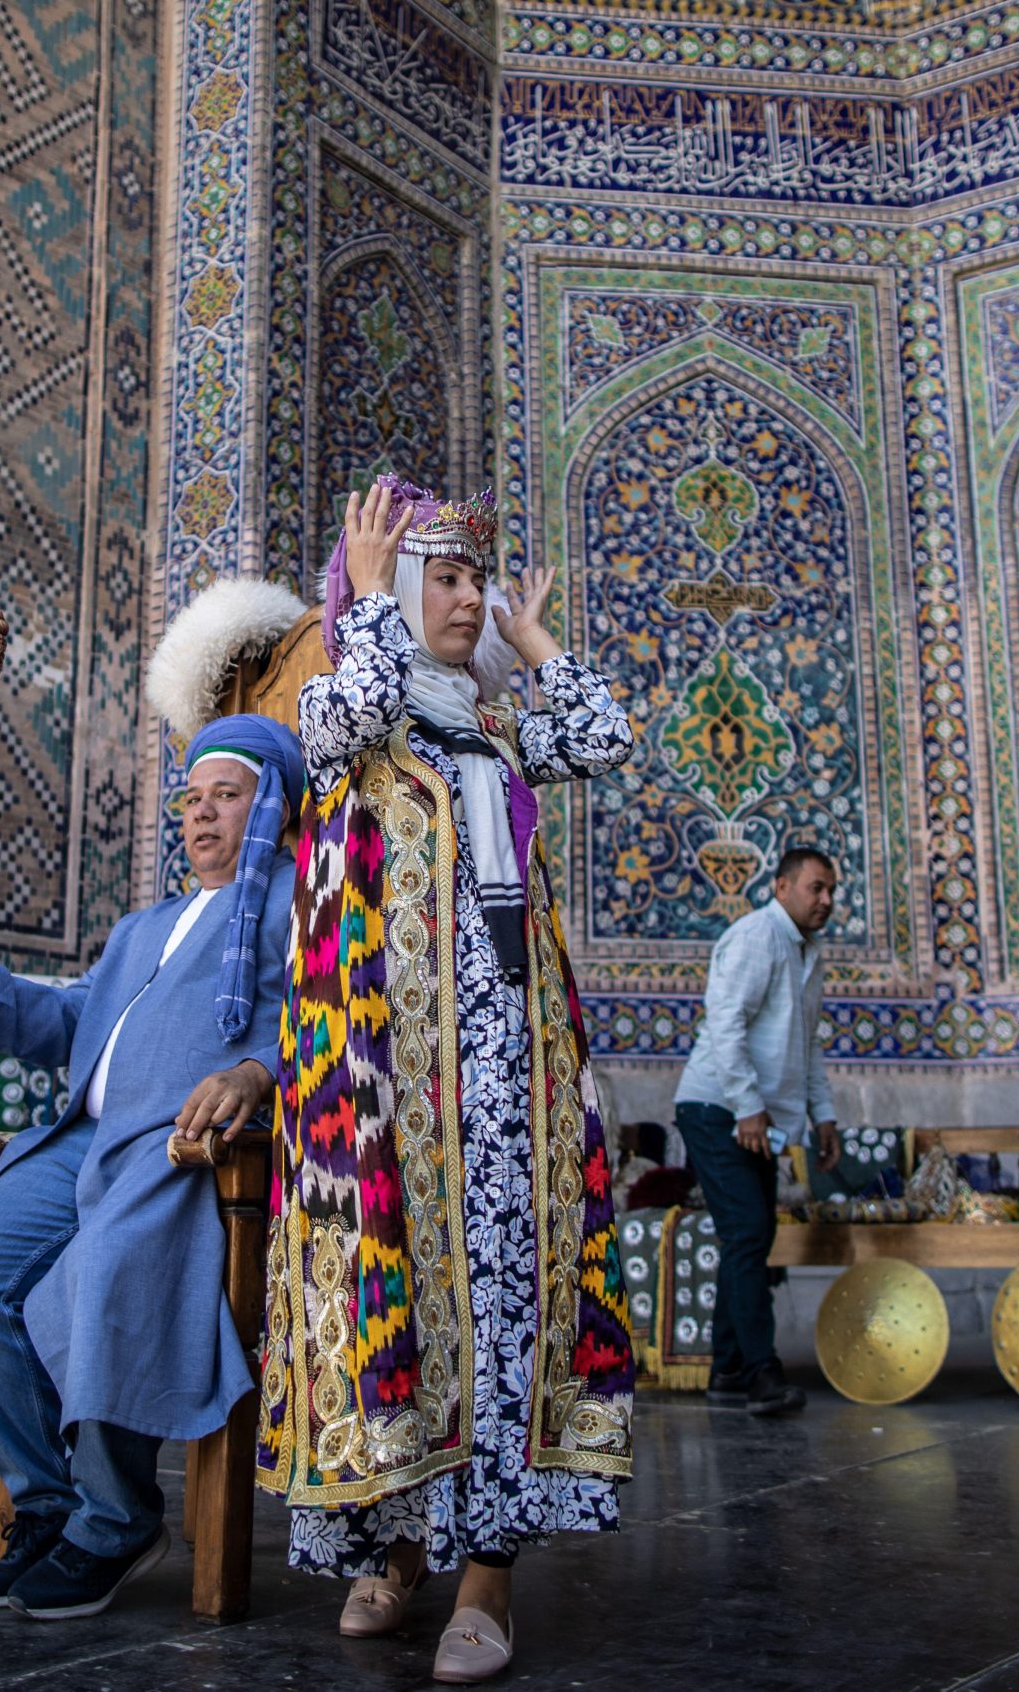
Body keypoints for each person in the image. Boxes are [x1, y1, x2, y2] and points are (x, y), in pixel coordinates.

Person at [258, 477, 636, 1686]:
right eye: (450, 579)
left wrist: (534, 638)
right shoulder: (347, 715)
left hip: (511, 1076)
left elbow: (606, 736)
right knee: (405, 1298)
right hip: (389, 1082)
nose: (469, 600)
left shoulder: (496, 732)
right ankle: (402, 1542)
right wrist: (369, 598)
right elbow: (357, 700)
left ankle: (488, 1577)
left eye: (478, 581)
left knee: (505, 1300)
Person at [0, 715, 302, 1623]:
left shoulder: (297, 904)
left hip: (179, 1149)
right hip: (82, 1143)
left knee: (103, 1265)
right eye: (191, 799)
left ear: (274, 807)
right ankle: (47, 1505)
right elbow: (66, 1025)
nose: (200, 816)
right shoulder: (141, 927)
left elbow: (335, 1022)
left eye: (227, 796)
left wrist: (257, 1073)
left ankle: (116, 1519)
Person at [671, 845, 841, 1417]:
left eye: (831, 890)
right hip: (717, 1108)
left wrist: (823, 1116)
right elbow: (725, 1020)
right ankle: (761, 1373)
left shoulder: (807, 951)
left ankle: (727, 1370)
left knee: (752, 1235)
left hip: (755, 1116)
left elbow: (807, 1043)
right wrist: (746, 1107)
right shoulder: (756, 936)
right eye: (816, 888)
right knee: (748, 1233)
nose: (826, 900)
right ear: (781, 887)